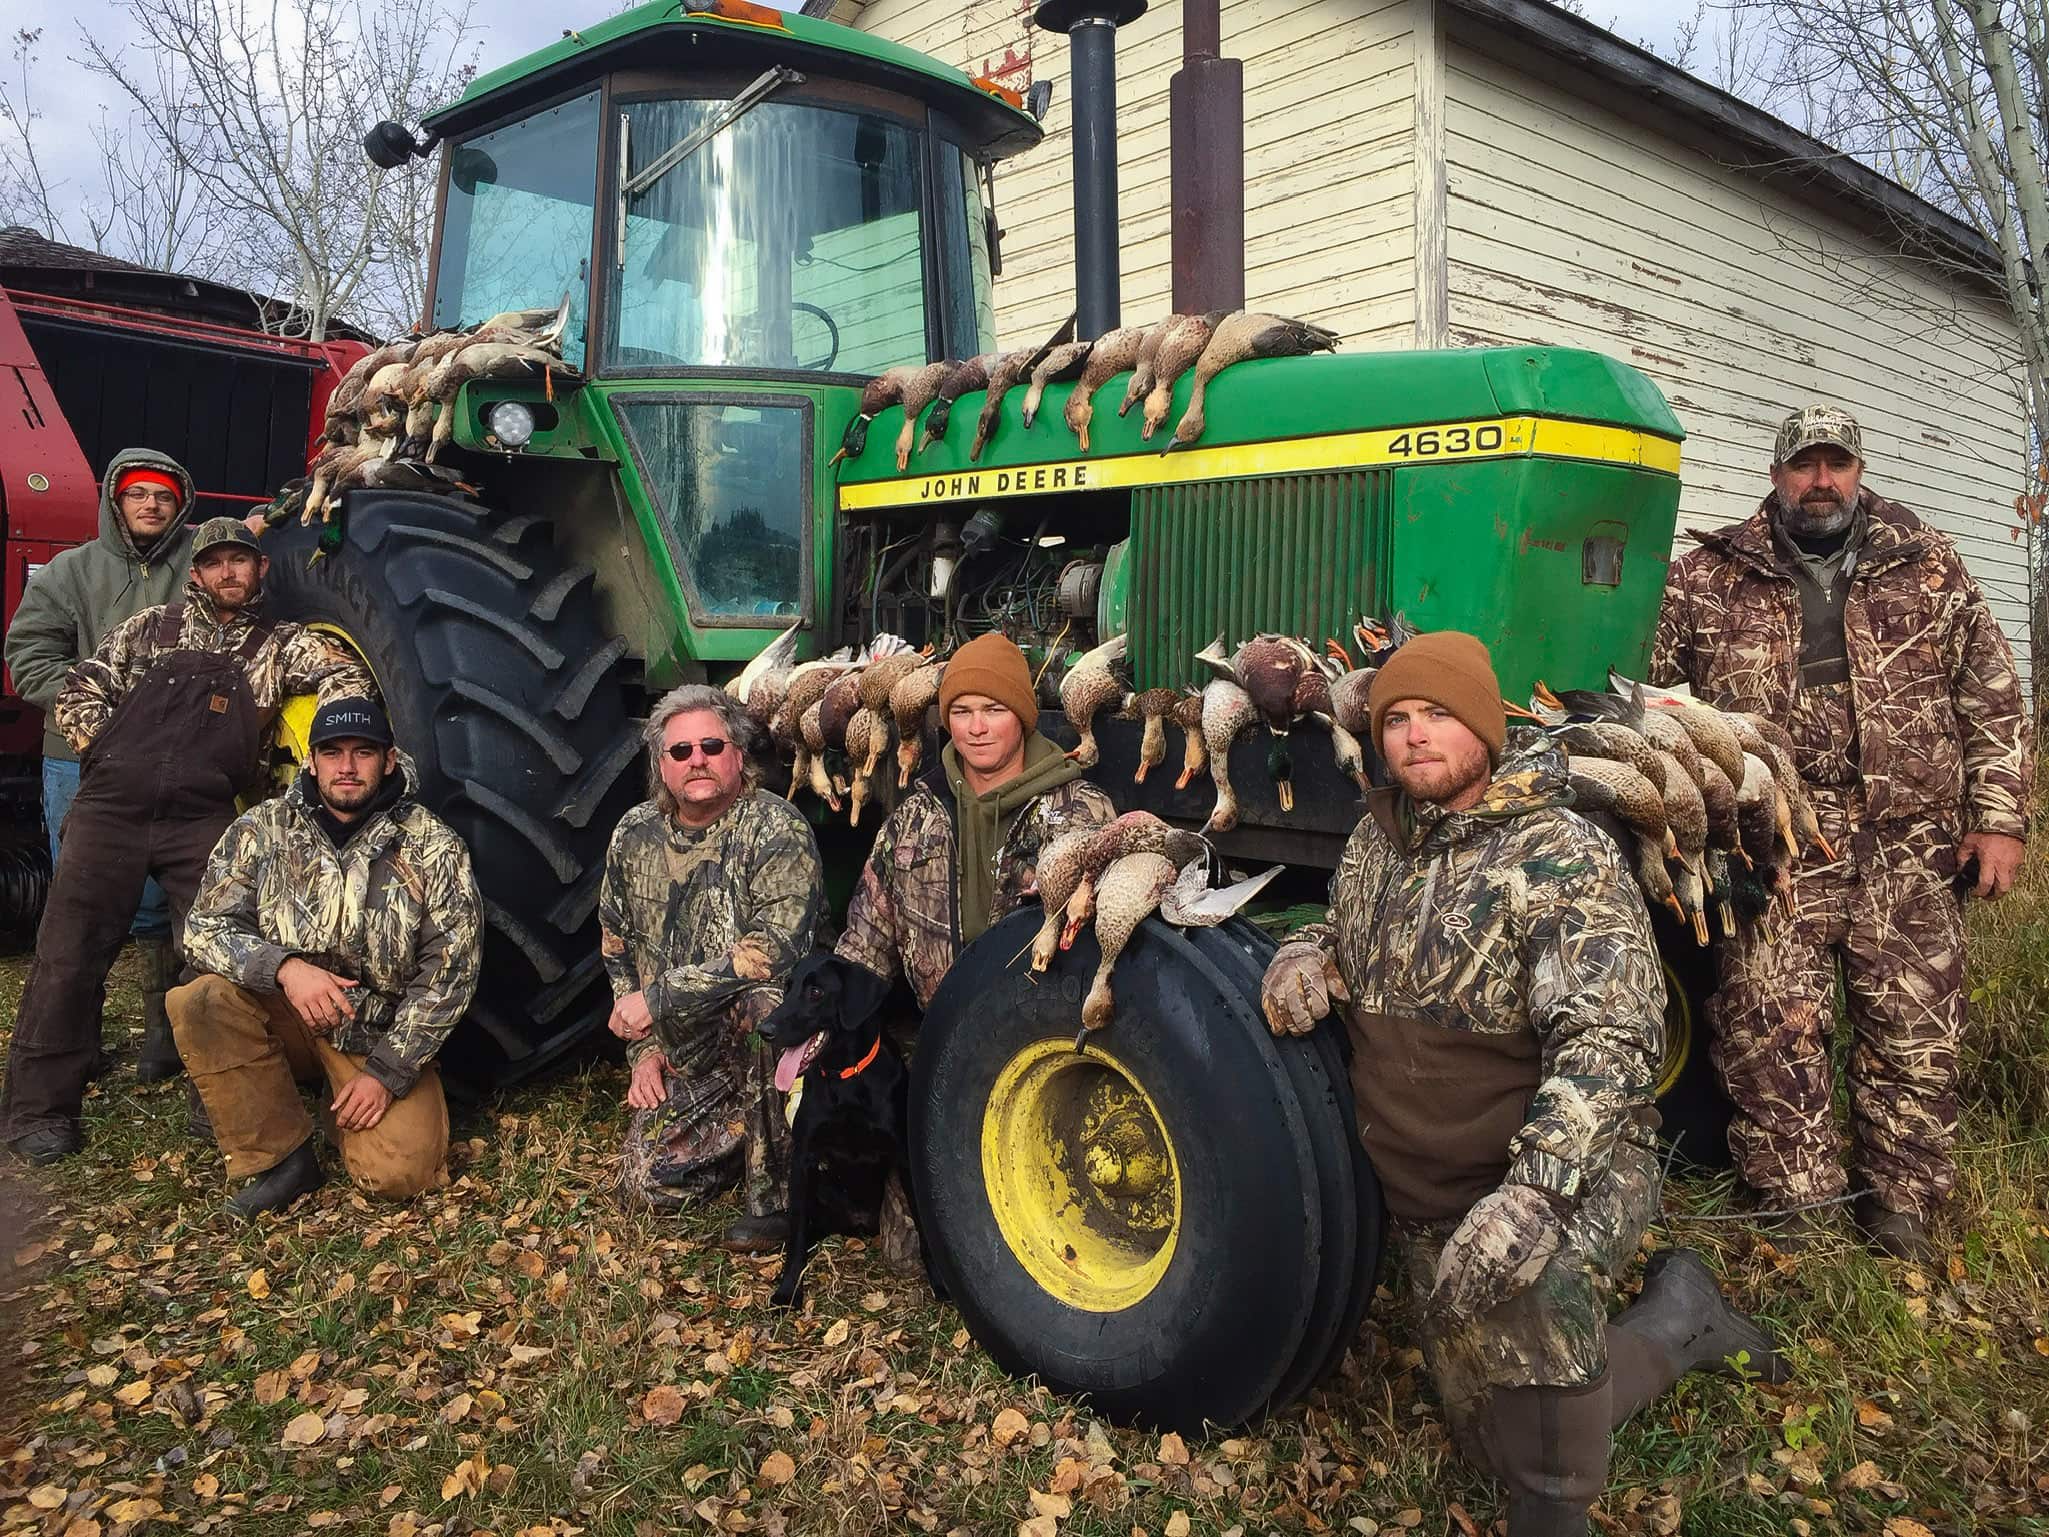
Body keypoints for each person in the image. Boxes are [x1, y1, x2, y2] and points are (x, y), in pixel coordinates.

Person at [1261, 630, 1786, 1537]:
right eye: (1397, 719)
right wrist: (1305, 954)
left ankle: (1555, 1505)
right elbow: (1345, 939)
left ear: (1485, 728)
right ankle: (1681, 1318)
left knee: (1539, 1416)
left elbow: (1613, 1037)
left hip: (1561, 1170)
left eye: (1439, 716)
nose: (1415, 736)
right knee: (1486, 1436)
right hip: (1434, 1183)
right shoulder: (1374, 845)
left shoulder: (1559, 851)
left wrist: (1535, 1197)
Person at [1650, 405, 2032, 1260]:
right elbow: (1654, 705)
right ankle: (1797, 1204)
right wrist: (1701, 821)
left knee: (1913, 1021)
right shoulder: (1705, 577)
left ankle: (1902, 1204)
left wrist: (1998, 819)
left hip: (1910, 836)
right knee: (1766, 1017)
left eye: (1836, 465)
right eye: (1803, 466)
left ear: (1858, 471)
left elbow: (1993, 696)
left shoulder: (1927, 564)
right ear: (1776, 474)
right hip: (1778, 836)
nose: (1820, 482)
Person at [0, 517, 372, 1164]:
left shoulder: (283, 644)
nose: (229, 572)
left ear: (260, 570)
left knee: (218, 949)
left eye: (242, 561)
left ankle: (217, 1097)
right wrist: (104, 748)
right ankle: (39, 1109)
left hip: (204, 814)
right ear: (197, 573)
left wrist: (325, 747)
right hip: (113, 806)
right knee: (69, 951)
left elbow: (351, 683)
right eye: (215, 562)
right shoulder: (151, 628)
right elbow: (84, 683)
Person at [169, 698, 478, 1215]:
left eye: (364, 752)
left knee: (401, 1176)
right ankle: (283, 1159)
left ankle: (345, 1102)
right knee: (200, 999)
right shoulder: (263, 830)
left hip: (374, 1032)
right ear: (311, 761)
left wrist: (387, 1072)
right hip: (283, 1012)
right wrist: (286, 969)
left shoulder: (434, 846)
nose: (348, 767)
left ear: (390, 760)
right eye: (332, 753)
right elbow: (203, 929)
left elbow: (453, 971)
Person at [601, 684, 825, 1250]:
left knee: (765, 1005)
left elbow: (772, 950)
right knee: (645, 1182)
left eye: (710, 745)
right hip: (689, 1058)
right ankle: (750, 1135)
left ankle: (773, 1198)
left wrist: (656, 1001)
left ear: (738, 756)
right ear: (661, 765)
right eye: (680, 751)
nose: (696, 759)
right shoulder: (633, 834)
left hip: (768, 1041)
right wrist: (643, 1050)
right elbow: (617, 944)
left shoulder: (777, 829)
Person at [4, 450, 197, 1082]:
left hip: (176, 759)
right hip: (81, 761)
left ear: (181, 505)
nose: (150, 506)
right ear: (116, 503)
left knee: (170, 906)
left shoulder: (202, 566)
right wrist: (97, 704)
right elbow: (29, 653)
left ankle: (167, 1045)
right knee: (83, 903)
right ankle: (73, 1049)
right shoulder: (68, 573)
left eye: (163, 497)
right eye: (138, 495)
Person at [836, 631, 1115, 1011]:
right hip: (945, 1039)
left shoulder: (1080, 812)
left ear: (1022, 716)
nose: (976, 727)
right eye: (962, 711)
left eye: (994, 710)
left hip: (1046, 1046)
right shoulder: (915, 818)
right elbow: (864, 945)